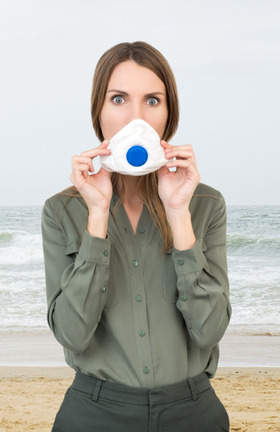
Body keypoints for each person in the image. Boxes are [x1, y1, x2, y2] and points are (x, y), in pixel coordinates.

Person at [42, 41, 232, 432]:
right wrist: (97, 213)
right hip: (94, 413)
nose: (134, 118)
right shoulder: (62, 211)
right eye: (118, 99)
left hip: (192, 411)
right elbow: (73, 335)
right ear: (98, 109)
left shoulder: (206, 204)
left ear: (168, 112)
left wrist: (178, 211)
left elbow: (209, 330)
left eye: (151, 101)